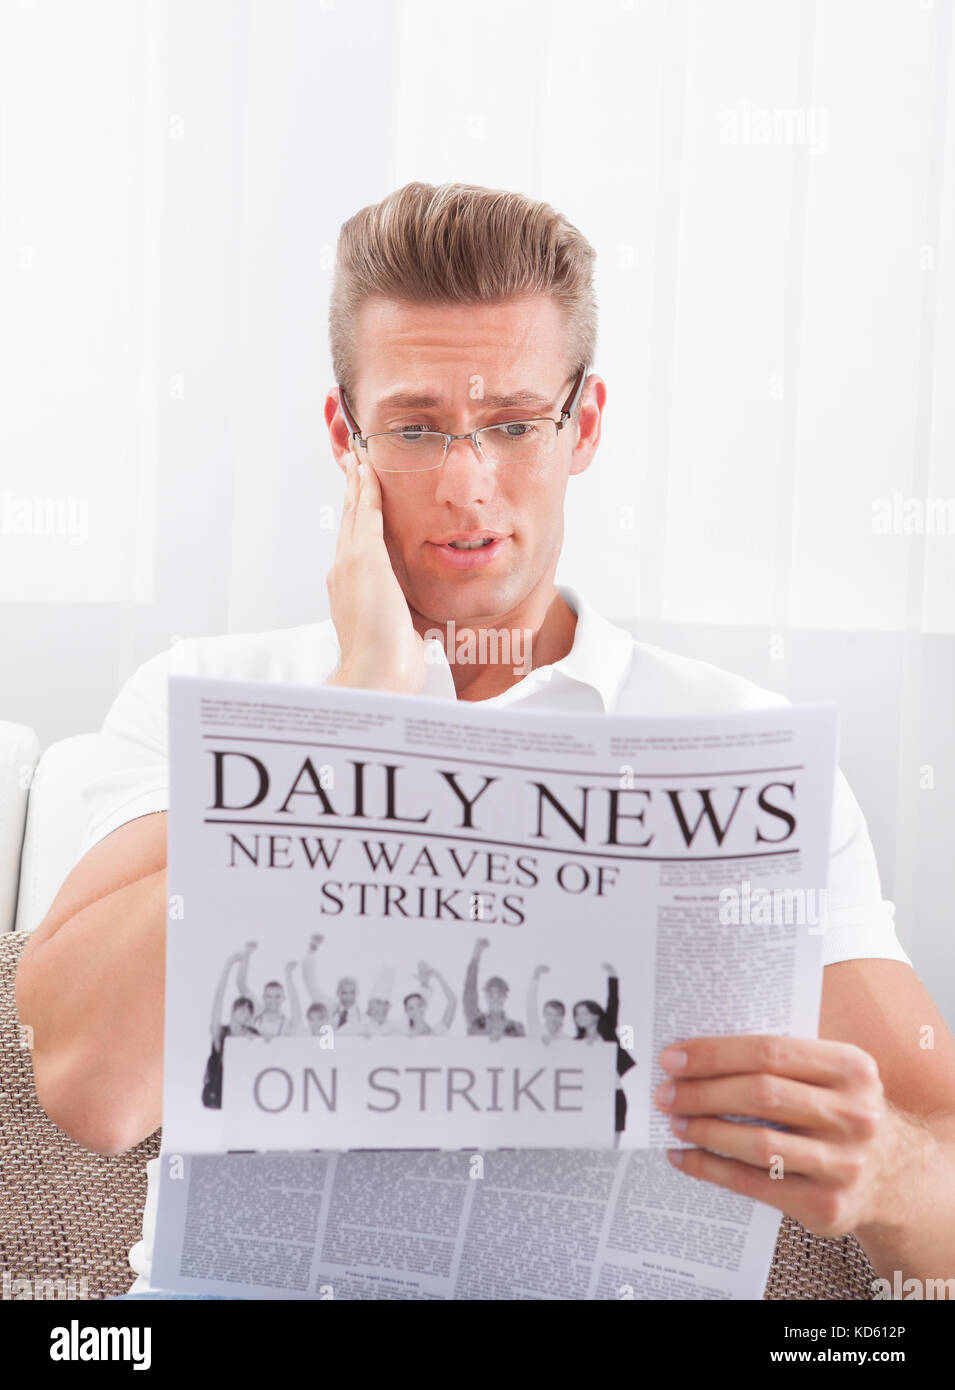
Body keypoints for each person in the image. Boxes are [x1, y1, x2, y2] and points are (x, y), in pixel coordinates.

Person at [15, 181, 955, 1296]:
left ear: (585, 425)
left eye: (513, 423)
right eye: (416, 428)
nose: (468, 486)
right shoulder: (203, 692)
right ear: (345, 439)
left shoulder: (738, 749)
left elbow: (936, 1184)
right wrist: (362, 709)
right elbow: (93, 1089)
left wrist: (886, 1171)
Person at [573, 963, 637, 1138]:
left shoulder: (607, 1033)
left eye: (584, 1013)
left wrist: (613, 975)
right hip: (589, 1097)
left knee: (613, 1145)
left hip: (614, 1094)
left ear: (596, 1014)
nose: (580, 1018)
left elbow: (613, 1002)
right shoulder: (574, 1043)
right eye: (577, 1014)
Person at [200, 952, 259, 1110]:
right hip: (218, 1097)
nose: (244, 1014)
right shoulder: (221, 1033)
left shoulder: (252, 1036)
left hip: (242, 1097)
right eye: (241, 1009)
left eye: (248, 1011)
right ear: (233, 1011)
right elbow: (218, 999)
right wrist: (228, 966)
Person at [463, 938, 525, 1039]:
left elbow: (526, 1053)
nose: (495, 999)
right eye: (491, 995)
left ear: (505, 997)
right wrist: (476, 955)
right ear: (486, 997)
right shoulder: (476, 1022)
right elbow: (469, 993)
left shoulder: (516, 1028)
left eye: (499, 995)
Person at [400, 962, 456, 1036]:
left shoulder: (437, 1032)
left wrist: (438, 976)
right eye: (411, 1008)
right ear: (407, 1012)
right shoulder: (404, 1037)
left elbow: (452, 1001)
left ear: (425, 1006)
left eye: (419, 1005)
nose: (416, 1010)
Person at [526, 963, 571, 1044]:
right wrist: (536, 976)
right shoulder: (535, 1030)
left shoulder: (568, 1040)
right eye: (549, 1014)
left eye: (558, 1015)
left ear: (563, 1017)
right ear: (544, 1014)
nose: (553, 1019)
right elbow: (531, 1005)